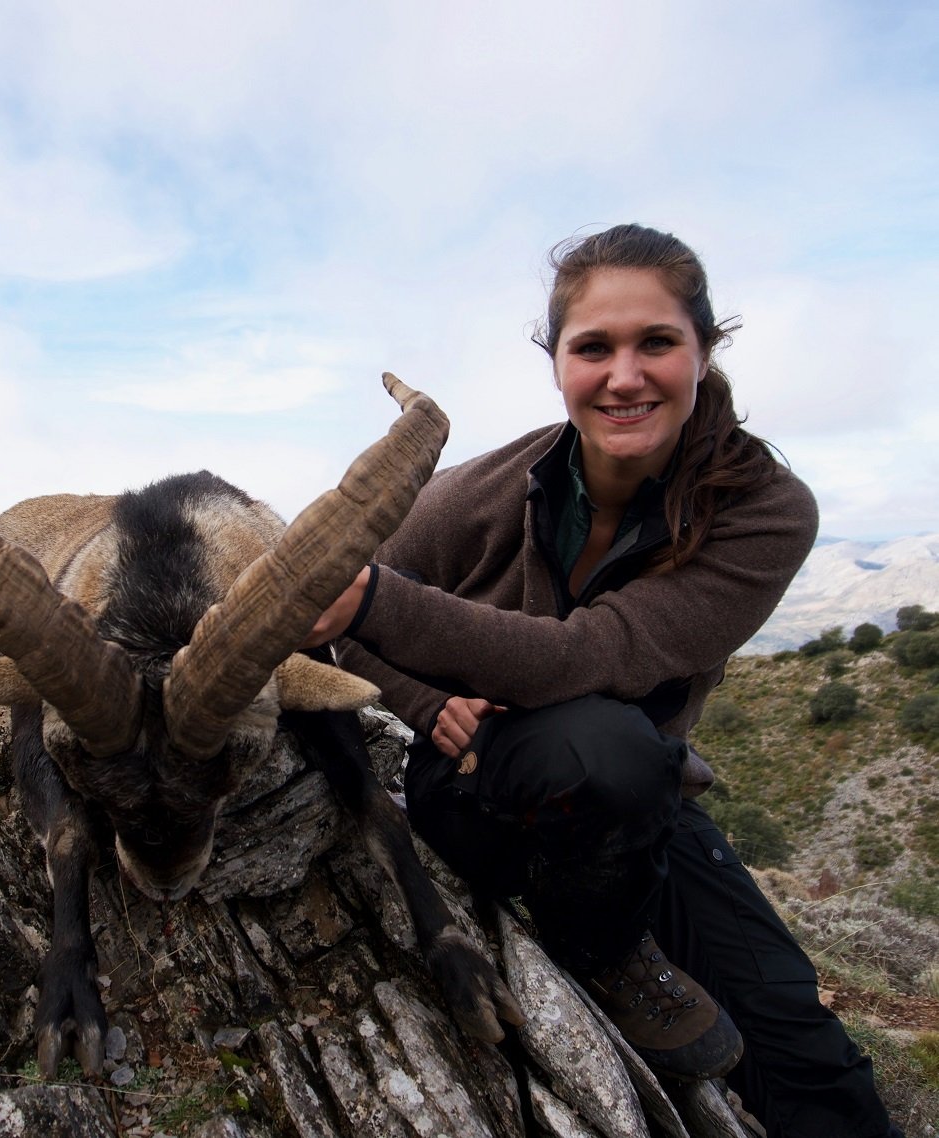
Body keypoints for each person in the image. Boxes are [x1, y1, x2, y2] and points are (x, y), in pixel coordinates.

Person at [306, 224, 901, 1138]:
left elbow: (591, 656)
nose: (625, 376)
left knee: (805, 1055)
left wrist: (378, 602)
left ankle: (622, 937)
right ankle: (600, 950)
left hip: (629, 795)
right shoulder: (475, 493)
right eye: (594, 348)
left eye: (656, 342)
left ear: (703, 350)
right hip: (475, 789)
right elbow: (347, 636)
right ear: (559, 366)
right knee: (599, 748)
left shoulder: (764, 510)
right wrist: (426, 701)